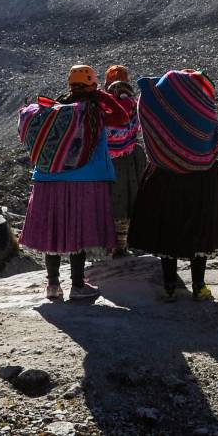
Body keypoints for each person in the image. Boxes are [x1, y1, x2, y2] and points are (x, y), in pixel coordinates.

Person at [18, 65, 131, 300]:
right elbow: (121, 118)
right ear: (92, 84)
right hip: (84, 179)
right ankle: (78, 286)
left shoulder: (57, 108)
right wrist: (99, 93)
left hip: (47, 179)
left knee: (54, 232)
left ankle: (52, 286)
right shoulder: (93, 110)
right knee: (77, 233)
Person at [129, 69, 218, 301]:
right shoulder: (203, 104)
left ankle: (169, 286)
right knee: (199, 228)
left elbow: (145, 111)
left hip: (164, 176)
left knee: (167, 228)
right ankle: (199, 286)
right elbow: (214, 137)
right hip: (204, 176)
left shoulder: (154, 105)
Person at [102, 65, 147, 258]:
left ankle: (111, 246)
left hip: (107, 161)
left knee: (111, 204)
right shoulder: (134, 103)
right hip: (132, 157)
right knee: (132, 200)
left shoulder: (104, 105)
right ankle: (127, 243)